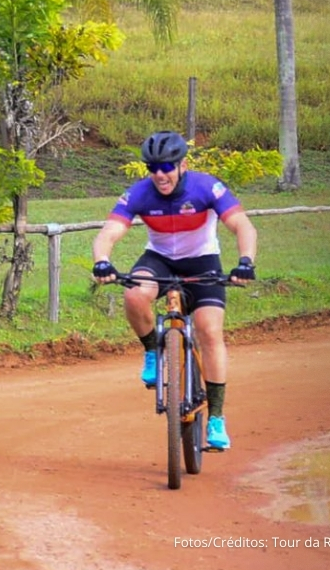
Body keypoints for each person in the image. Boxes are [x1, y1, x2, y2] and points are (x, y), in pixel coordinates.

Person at [90, 131, 257, 451]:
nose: (159, 175)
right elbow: (109, 232)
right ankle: (153, 350)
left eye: (165, 167)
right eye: (152, 168)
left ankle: (217, 418)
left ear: (181, 165)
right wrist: (102, 261)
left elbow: (242, 225)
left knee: (210, 332)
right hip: (160, 260)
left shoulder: (206, 186)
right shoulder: (139, 193)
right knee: (135, 294)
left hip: (202, 262)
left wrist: (245, 262)